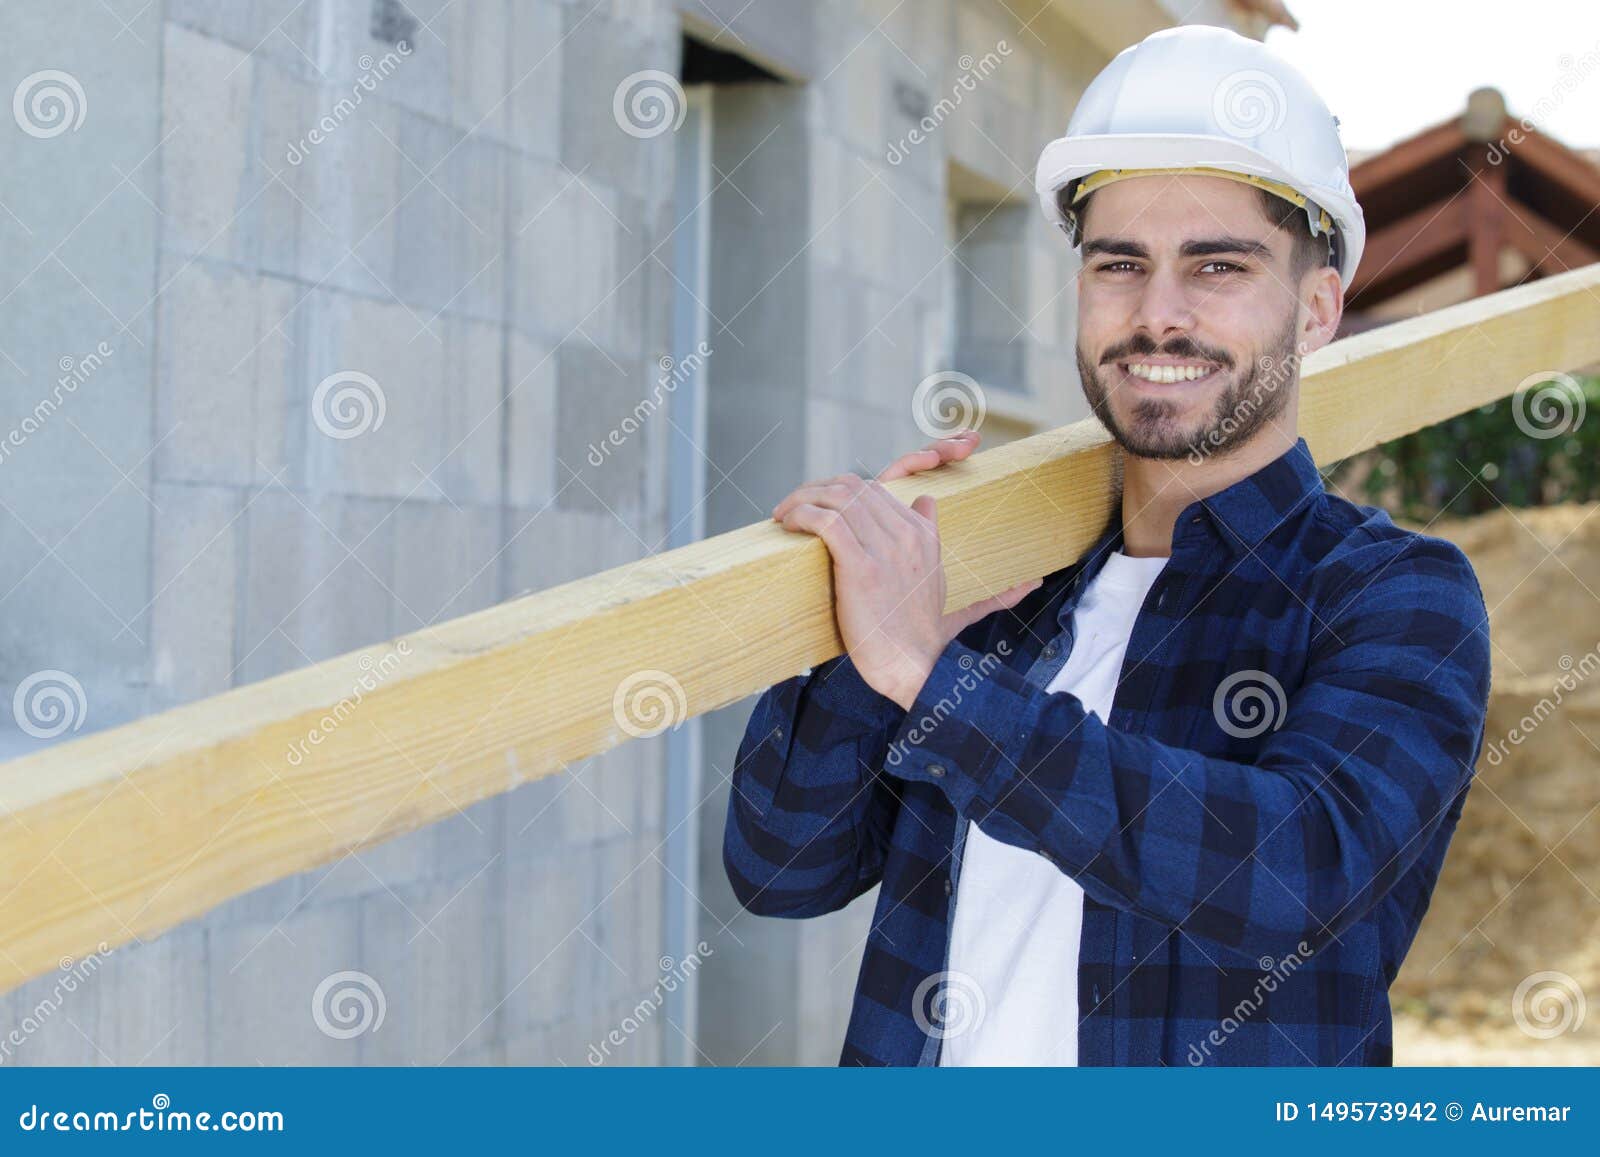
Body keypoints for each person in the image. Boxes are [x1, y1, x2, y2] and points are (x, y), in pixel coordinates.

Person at [722, 24, 1491, 1066]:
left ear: (1315, 309)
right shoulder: (1009, 596)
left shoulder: (1394, 594)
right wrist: (877, 645)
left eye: (1216, 266)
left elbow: (1290, 872)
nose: (1157, 315)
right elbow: (781, 867)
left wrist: (931, 678)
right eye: (1118, 263)